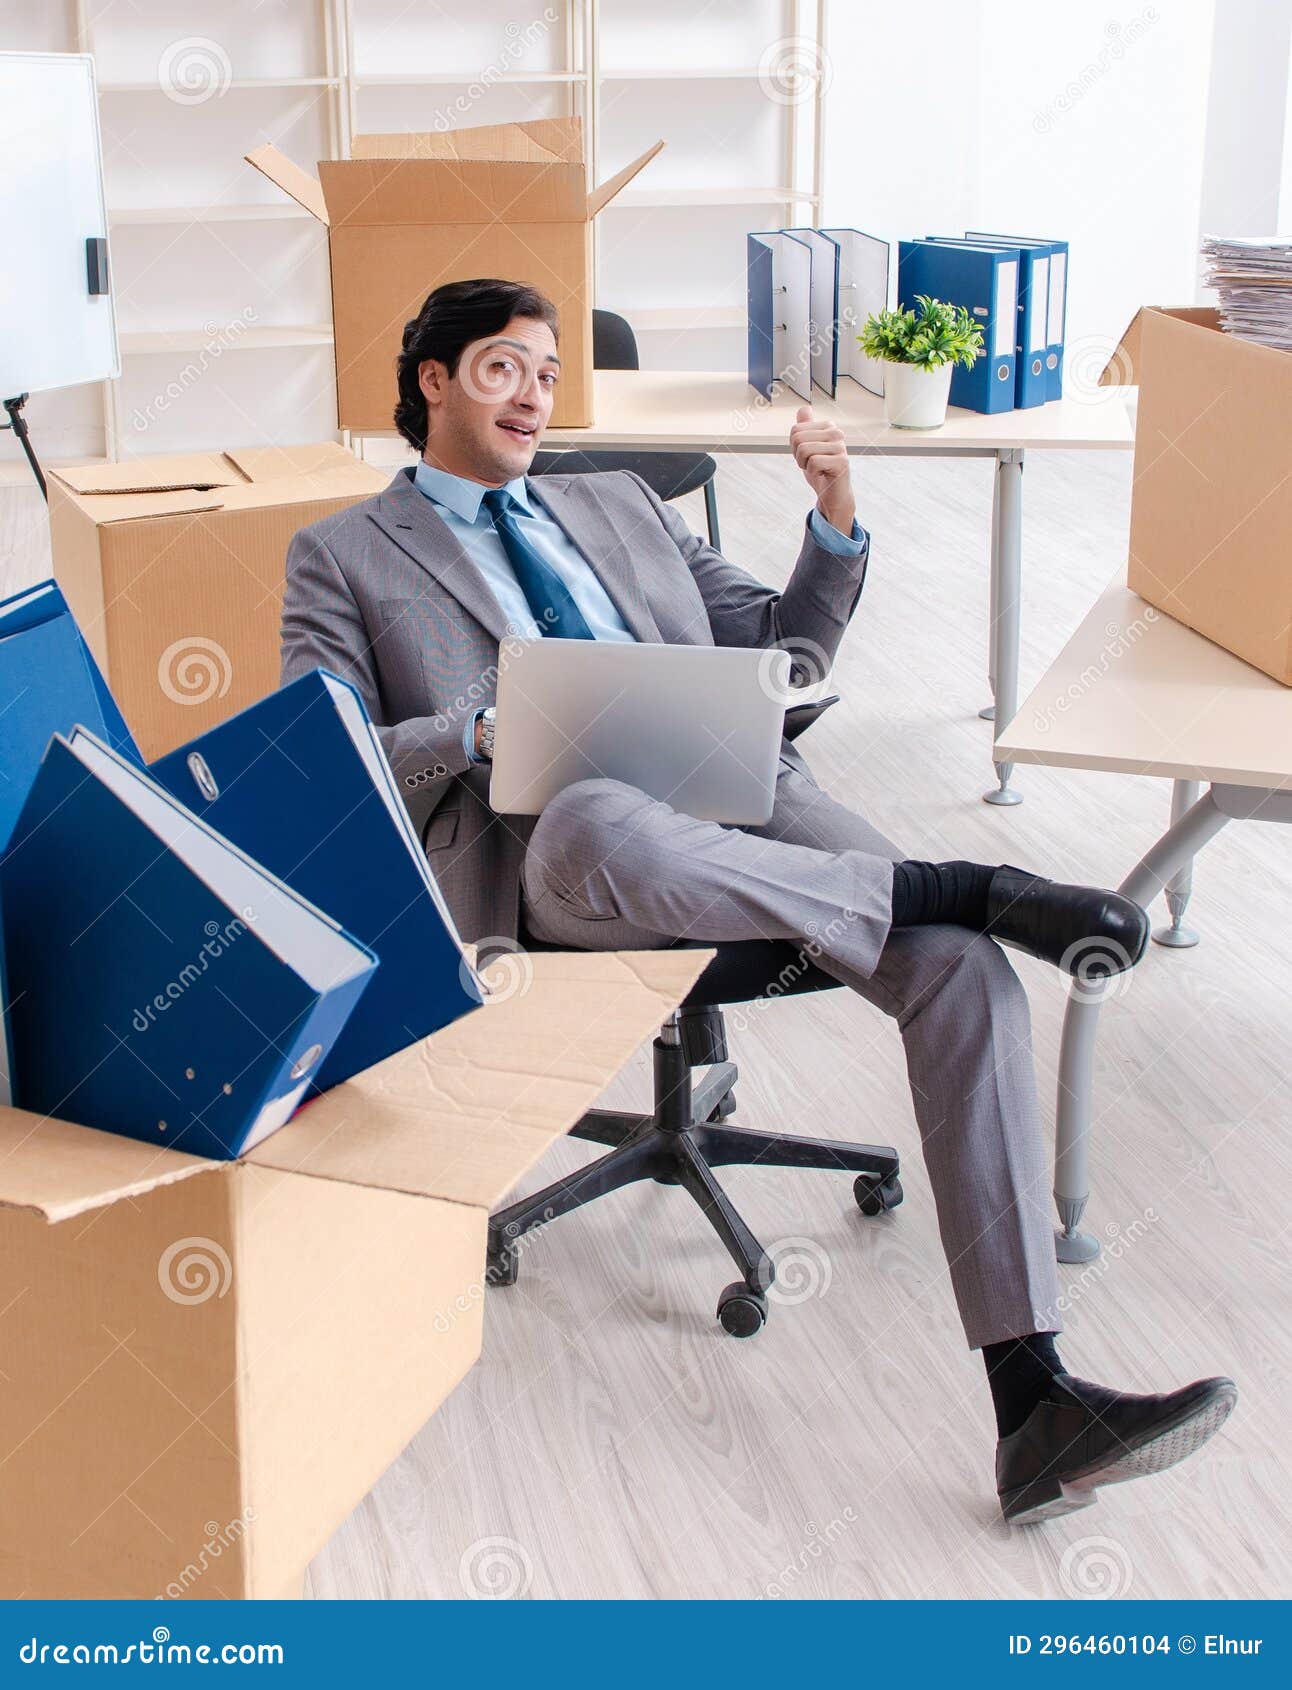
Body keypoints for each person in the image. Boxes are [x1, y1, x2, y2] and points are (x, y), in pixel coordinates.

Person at [281, 277, 1235, 1524]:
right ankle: (970, 883)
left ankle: (1032, 1397)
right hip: (562, 854)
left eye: (550, 373)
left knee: (955, 964)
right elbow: (324, 757)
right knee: (588, 811)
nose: (534, 396)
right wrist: (474, 725)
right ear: (434, 381)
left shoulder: (614, 501)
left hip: (740, 798)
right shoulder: (342, 552)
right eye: (506, 368)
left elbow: (785, 647)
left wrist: (833, 523)